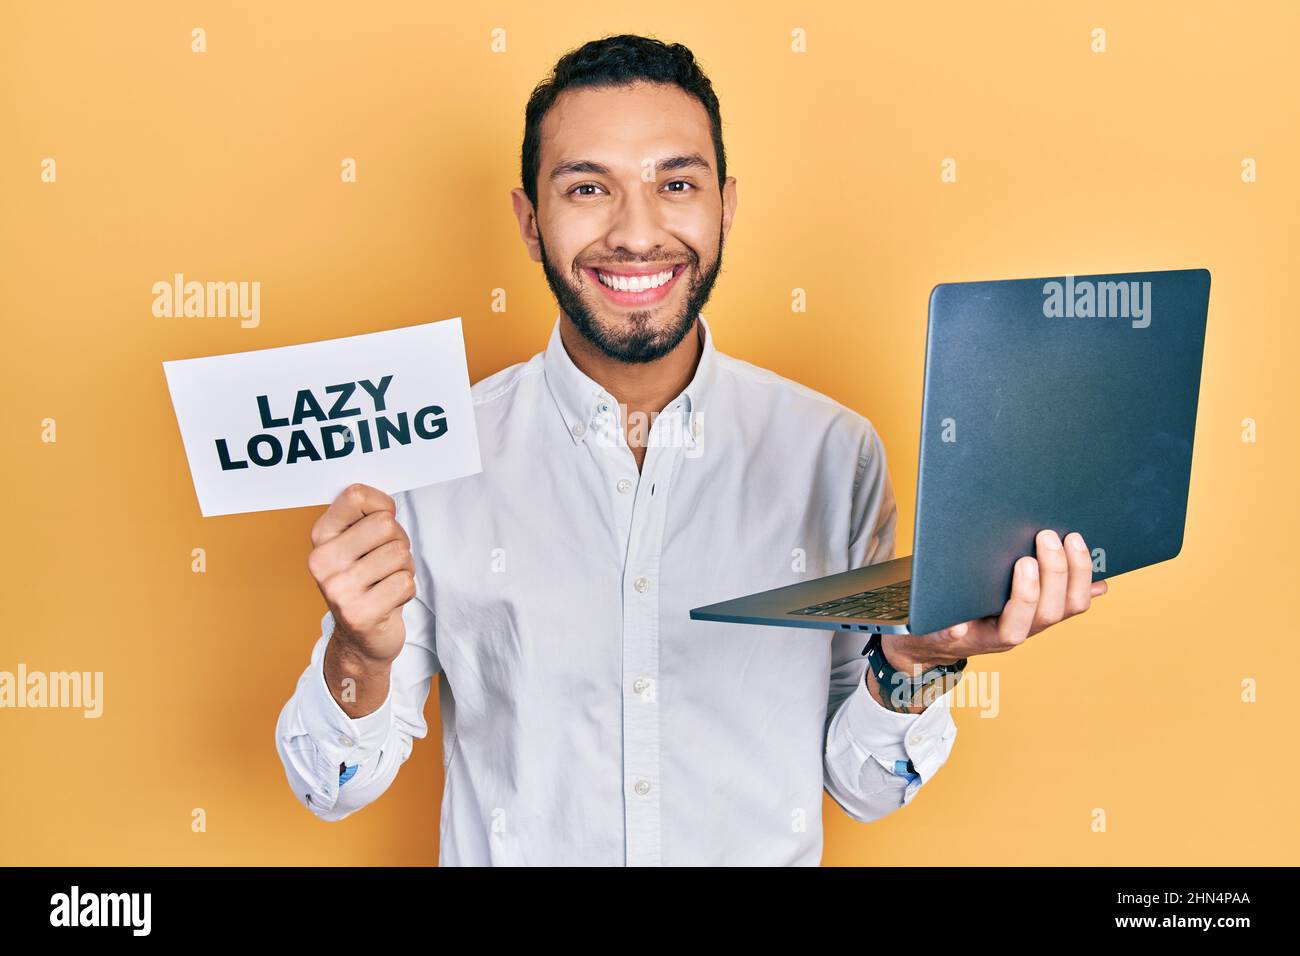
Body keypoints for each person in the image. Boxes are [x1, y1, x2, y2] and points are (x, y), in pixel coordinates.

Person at [274, 34, 1106, 865]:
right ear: (530, 222)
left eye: (676, 184)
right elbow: (333, 783)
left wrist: (918, 661)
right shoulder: (430, 458)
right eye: (588, 187)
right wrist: (357, 655)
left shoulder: (834, 453)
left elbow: (866, 782)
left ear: (725, 207)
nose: (637, 234)